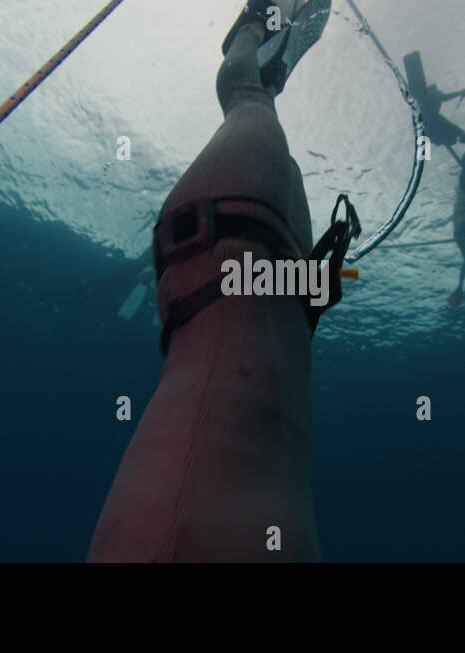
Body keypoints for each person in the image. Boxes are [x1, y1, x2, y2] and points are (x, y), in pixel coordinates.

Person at [87, 0, 331, 563]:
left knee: (248, 103)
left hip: (228, 232)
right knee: (279, 146)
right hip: (285, 279)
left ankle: (249, 30)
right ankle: (272, 65)